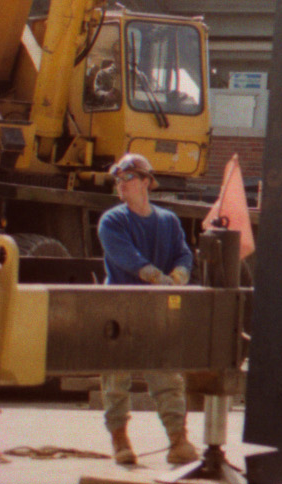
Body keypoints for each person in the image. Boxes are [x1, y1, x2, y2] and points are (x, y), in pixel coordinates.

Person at [98, 153, 200, 467]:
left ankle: (178, 440)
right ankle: (120, 440)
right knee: (116, 377)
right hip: (120, 308)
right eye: (118, 180)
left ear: (146, 182)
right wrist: (158, 277)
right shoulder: (112, 221)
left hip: (156, 312)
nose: (121, 185)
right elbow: (126, 257)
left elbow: (183, 254)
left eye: (127, 178)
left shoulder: (168, 221)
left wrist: (181, 274)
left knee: (167, 376)